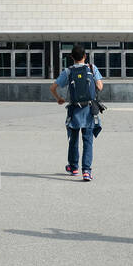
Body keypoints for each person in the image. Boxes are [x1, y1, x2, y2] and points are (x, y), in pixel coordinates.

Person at [50, 44, 103, 181]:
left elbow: (53, 87)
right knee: (88, 140)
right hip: (89, 110)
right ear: (85, 56)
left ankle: (73, 167)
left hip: (74, 111)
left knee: (73, 140)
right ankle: (86, 171)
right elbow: (99, 86)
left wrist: (59, 99)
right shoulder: (92, 68)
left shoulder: (68, 72)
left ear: (72, 57)